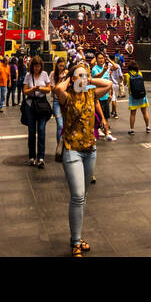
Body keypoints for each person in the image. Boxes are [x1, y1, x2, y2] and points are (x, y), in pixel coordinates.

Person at [54, 61, 112, 256]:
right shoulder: (67, 97)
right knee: (78, 195)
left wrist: (88, 77)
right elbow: (57, 89)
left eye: (84, 75)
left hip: (90, 149)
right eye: (80, 76)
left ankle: (76, 237)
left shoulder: (90, 94)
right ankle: (76, 242)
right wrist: (68, 78)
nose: (83, 78)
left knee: (82, 196)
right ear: (72, 79)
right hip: (72, 150)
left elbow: (108, 85)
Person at [23, 56, 53, 166]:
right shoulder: (28, 75)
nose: (37, 68)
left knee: (41, 130)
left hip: (42, 105)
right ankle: (31, 156)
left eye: (38, 66)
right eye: (35, 66)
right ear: (32, 67)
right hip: (30, 105)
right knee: (31, 131)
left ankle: (40, 157)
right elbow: (25, 91)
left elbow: (49, 89)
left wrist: (40, 88)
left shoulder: (44, 74)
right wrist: (32, 89)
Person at [126, 58, 151, 134]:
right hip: (142, 95)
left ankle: (132, 129)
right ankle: (147, 127)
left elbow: (126, 84)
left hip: (133, 95)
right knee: (144, 112)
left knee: (133, 114)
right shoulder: (140, 73)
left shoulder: (127, 75)